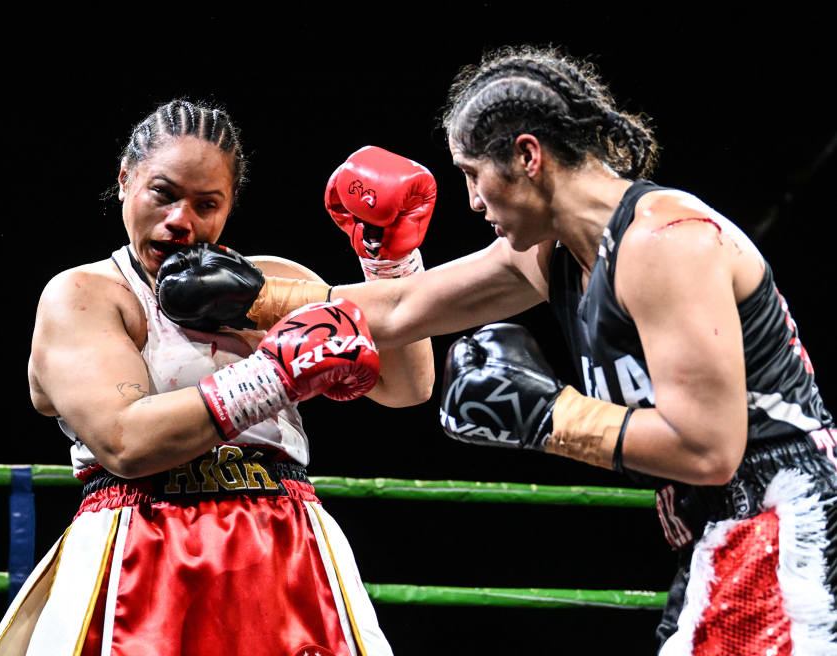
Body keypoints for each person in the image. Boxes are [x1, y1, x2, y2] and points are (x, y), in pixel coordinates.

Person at [163, 48, 837, 653]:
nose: (471, 200)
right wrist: (253, 298)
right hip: (732, 537)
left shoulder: (666, 245)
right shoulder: (554, 255)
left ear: (526, 156)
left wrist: (550, 417)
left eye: (471, 173)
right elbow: (401, 308)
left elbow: (709, 448)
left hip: (789, 529)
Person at [0, 99, 435, 656]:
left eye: (206, 204)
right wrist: (279, 373)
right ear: (125, 179)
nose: (182, 221)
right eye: (164, 194)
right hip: (142, 543)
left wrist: (391, 258)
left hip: (284, 544)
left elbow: (408, 386)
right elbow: (126, 441)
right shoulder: (86, 295)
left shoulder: (274, 282)